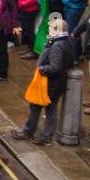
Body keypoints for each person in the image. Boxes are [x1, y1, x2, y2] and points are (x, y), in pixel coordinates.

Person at [14, 16, 76, 145]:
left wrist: (42, 69)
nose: (49, 31)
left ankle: (32, 132)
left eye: (51, 29)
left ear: (57, 29)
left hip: (50, 83)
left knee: (38, 106)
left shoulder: (57, 46)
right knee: (50, 108)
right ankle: (43, 135)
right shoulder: (66, 42)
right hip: (58, 83)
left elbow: (55, 67)